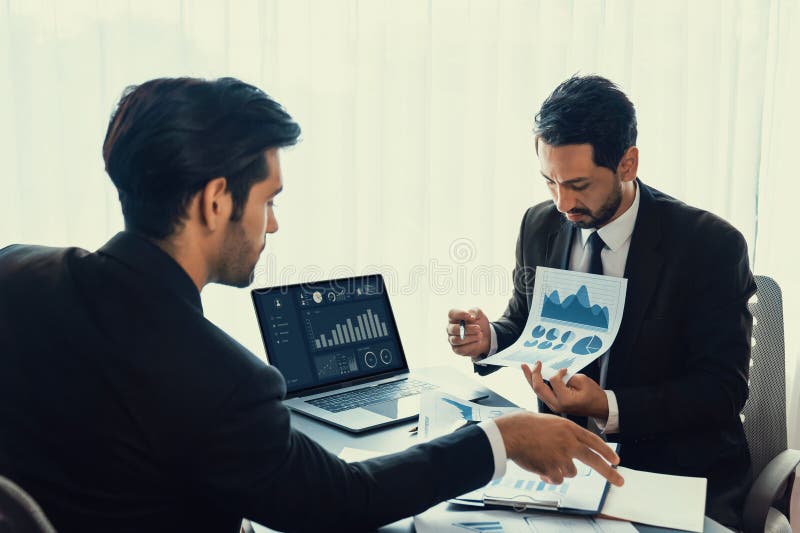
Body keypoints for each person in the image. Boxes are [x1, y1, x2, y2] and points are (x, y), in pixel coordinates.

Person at [0, 77, 622, 533]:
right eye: (268, 200)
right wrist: (499, 438)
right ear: (216, 202)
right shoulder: (220, 380)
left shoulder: (14, 271)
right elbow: (338, 503)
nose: (273, 224)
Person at [446, 75, 755, 527]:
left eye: (579, 184)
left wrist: (606, 405)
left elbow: (721, 391)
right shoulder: (540, 226)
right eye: (550, 182)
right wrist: (488, 337)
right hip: (566, 471)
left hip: (673, 473)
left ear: (627, 164)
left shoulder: (709, 246)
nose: (562, 202)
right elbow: (527, 322)